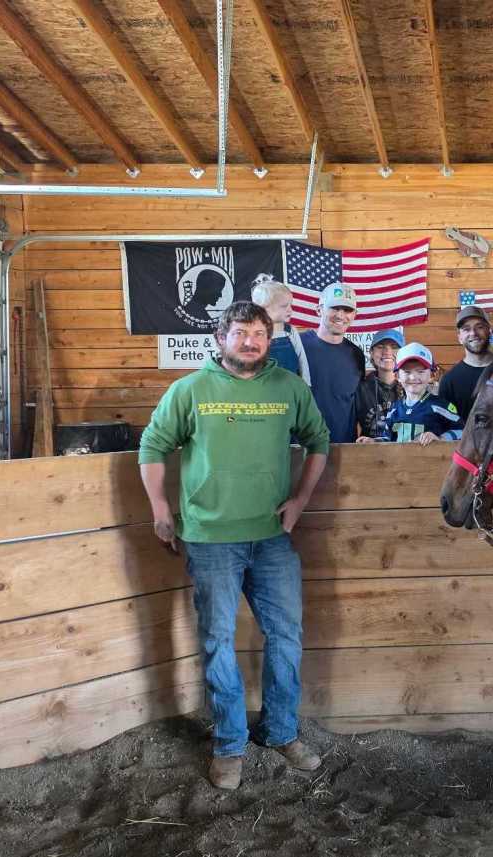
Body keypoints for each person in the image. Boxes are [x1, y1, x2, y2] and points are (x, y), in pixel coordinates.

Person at [138, 301, 330, 790]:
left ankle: (282, 731)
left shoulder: (289, 387)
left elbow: (318, 441)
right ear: (221, 338)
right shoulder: (190, 390)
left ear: (270, 340)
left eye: (259, 334)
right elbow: (154, 446)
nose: (250, 342)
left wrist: (300, 500)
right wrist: (161, 510)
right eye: (241, 333)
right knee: (218, 641)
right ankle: (229, 745)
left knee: (286, 637)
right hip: (209, 539)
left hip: (271, 537)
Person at [300, 284, 365, 443]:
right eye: (335, 308)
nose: (341, 315)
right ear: (319, 309)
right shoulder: (297, 346)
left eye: (347, 310)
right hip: (300, 448)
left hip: (343, 449)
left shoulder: (356, 354)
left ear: (355, 314)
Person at [373, 342, 462, 445]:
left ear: (432, 375)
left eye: (420, 372)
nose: (413, 377)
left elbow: (463, 432)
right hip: (398, 461)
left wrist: (440, 438)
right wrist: (374, 441)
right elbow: (388, 439)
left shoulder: (441, 406)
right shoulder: (394, 409)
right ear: (397, 376)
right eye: (407, 372)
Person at [438, 305, 493, 421]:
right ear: (459, 337)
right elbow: (445, 424)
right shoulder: (450, 380)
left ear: (490, 331)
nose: (473, 333)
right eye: (466, 329)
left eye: (479, 327)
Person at [251, 276, 310, 383]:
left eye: (290, 305)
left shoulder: (290, 331)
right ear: (263, 309)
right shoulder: (254, 334)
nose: (290, 310)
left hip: (291, 385)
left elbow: (302, 361)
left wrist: (306, 383)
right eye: (284, 306)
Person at [355, 328, 405, 442]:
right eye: (381, 347)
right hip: (370, 453)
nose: (387, 351)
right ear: (371, 353)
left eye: (394, 347)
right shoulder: (360, 388)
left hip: (407, 454)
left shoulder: (413, 386)